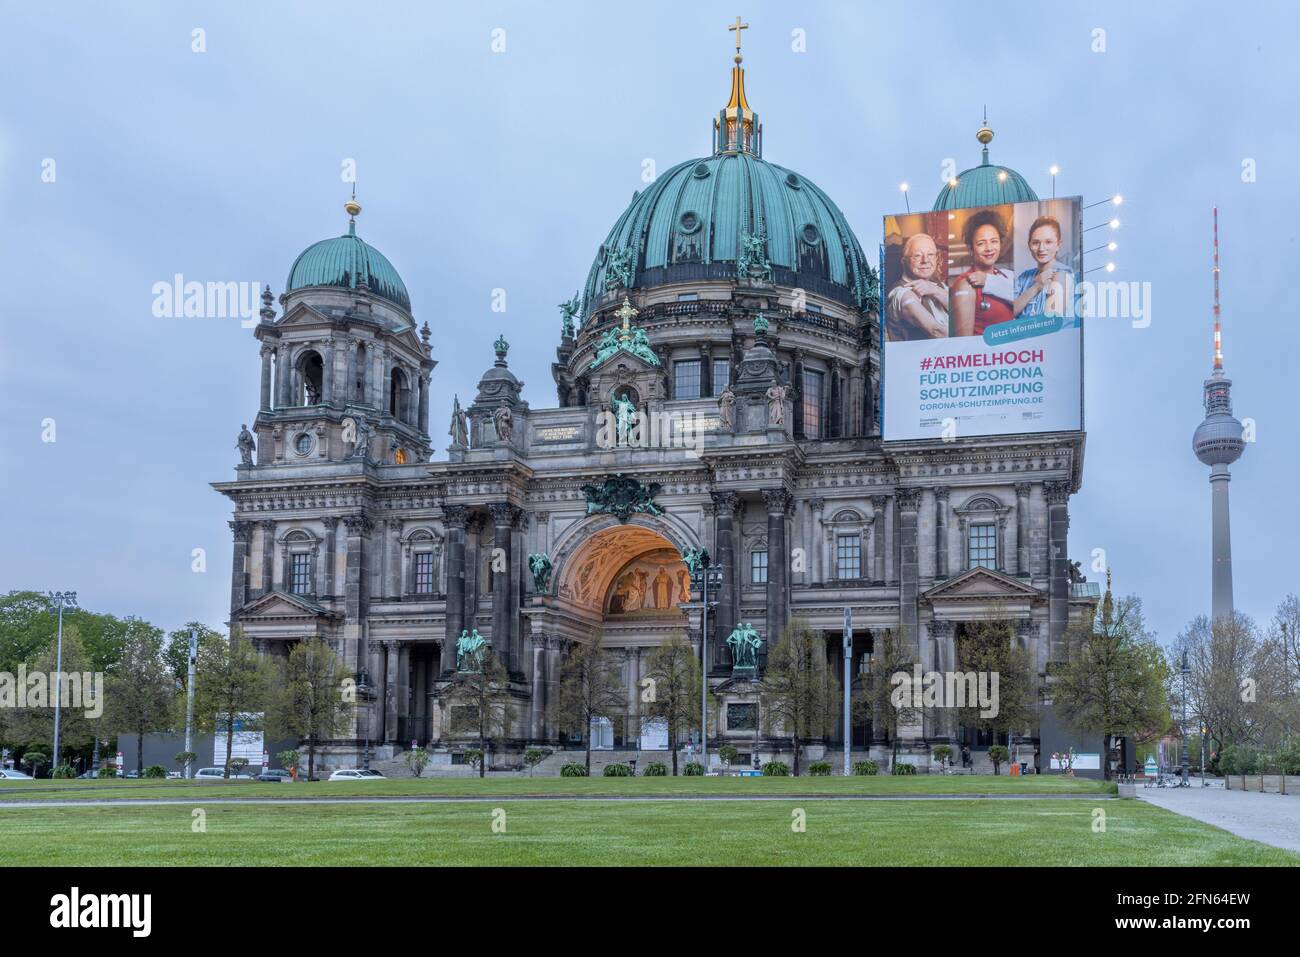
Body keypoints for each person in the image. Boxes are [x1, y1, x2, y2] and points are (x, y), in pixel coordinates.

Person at [950, 209, 1015, 337]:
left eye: (994, 241)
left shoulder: (1006, 276)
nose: (989, 248)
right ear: (971, 249)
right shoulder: (966, 285)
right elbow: (965, 342)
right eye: (981, 243)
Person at [886, 232, 950, 341]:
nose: (925, 260)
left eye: (930, 254)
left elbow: (959, 312)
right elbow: (936, 331)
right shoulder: (902, 293)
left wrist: (935, 290)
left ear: (936, 258)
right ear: (904, 261)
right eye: (917, 255)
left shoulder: (940, 286)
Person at [1014, 215, 1071, 320]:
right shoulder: (1024, 277)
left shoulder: (1061, 275)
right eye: (1036, 243)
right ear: (1029, 245)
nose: (1041, 248)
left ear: (1058, 245)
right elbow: (1010, 312)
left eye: (1048, 242)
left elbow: (1051, 323)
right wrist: (1036, 287)